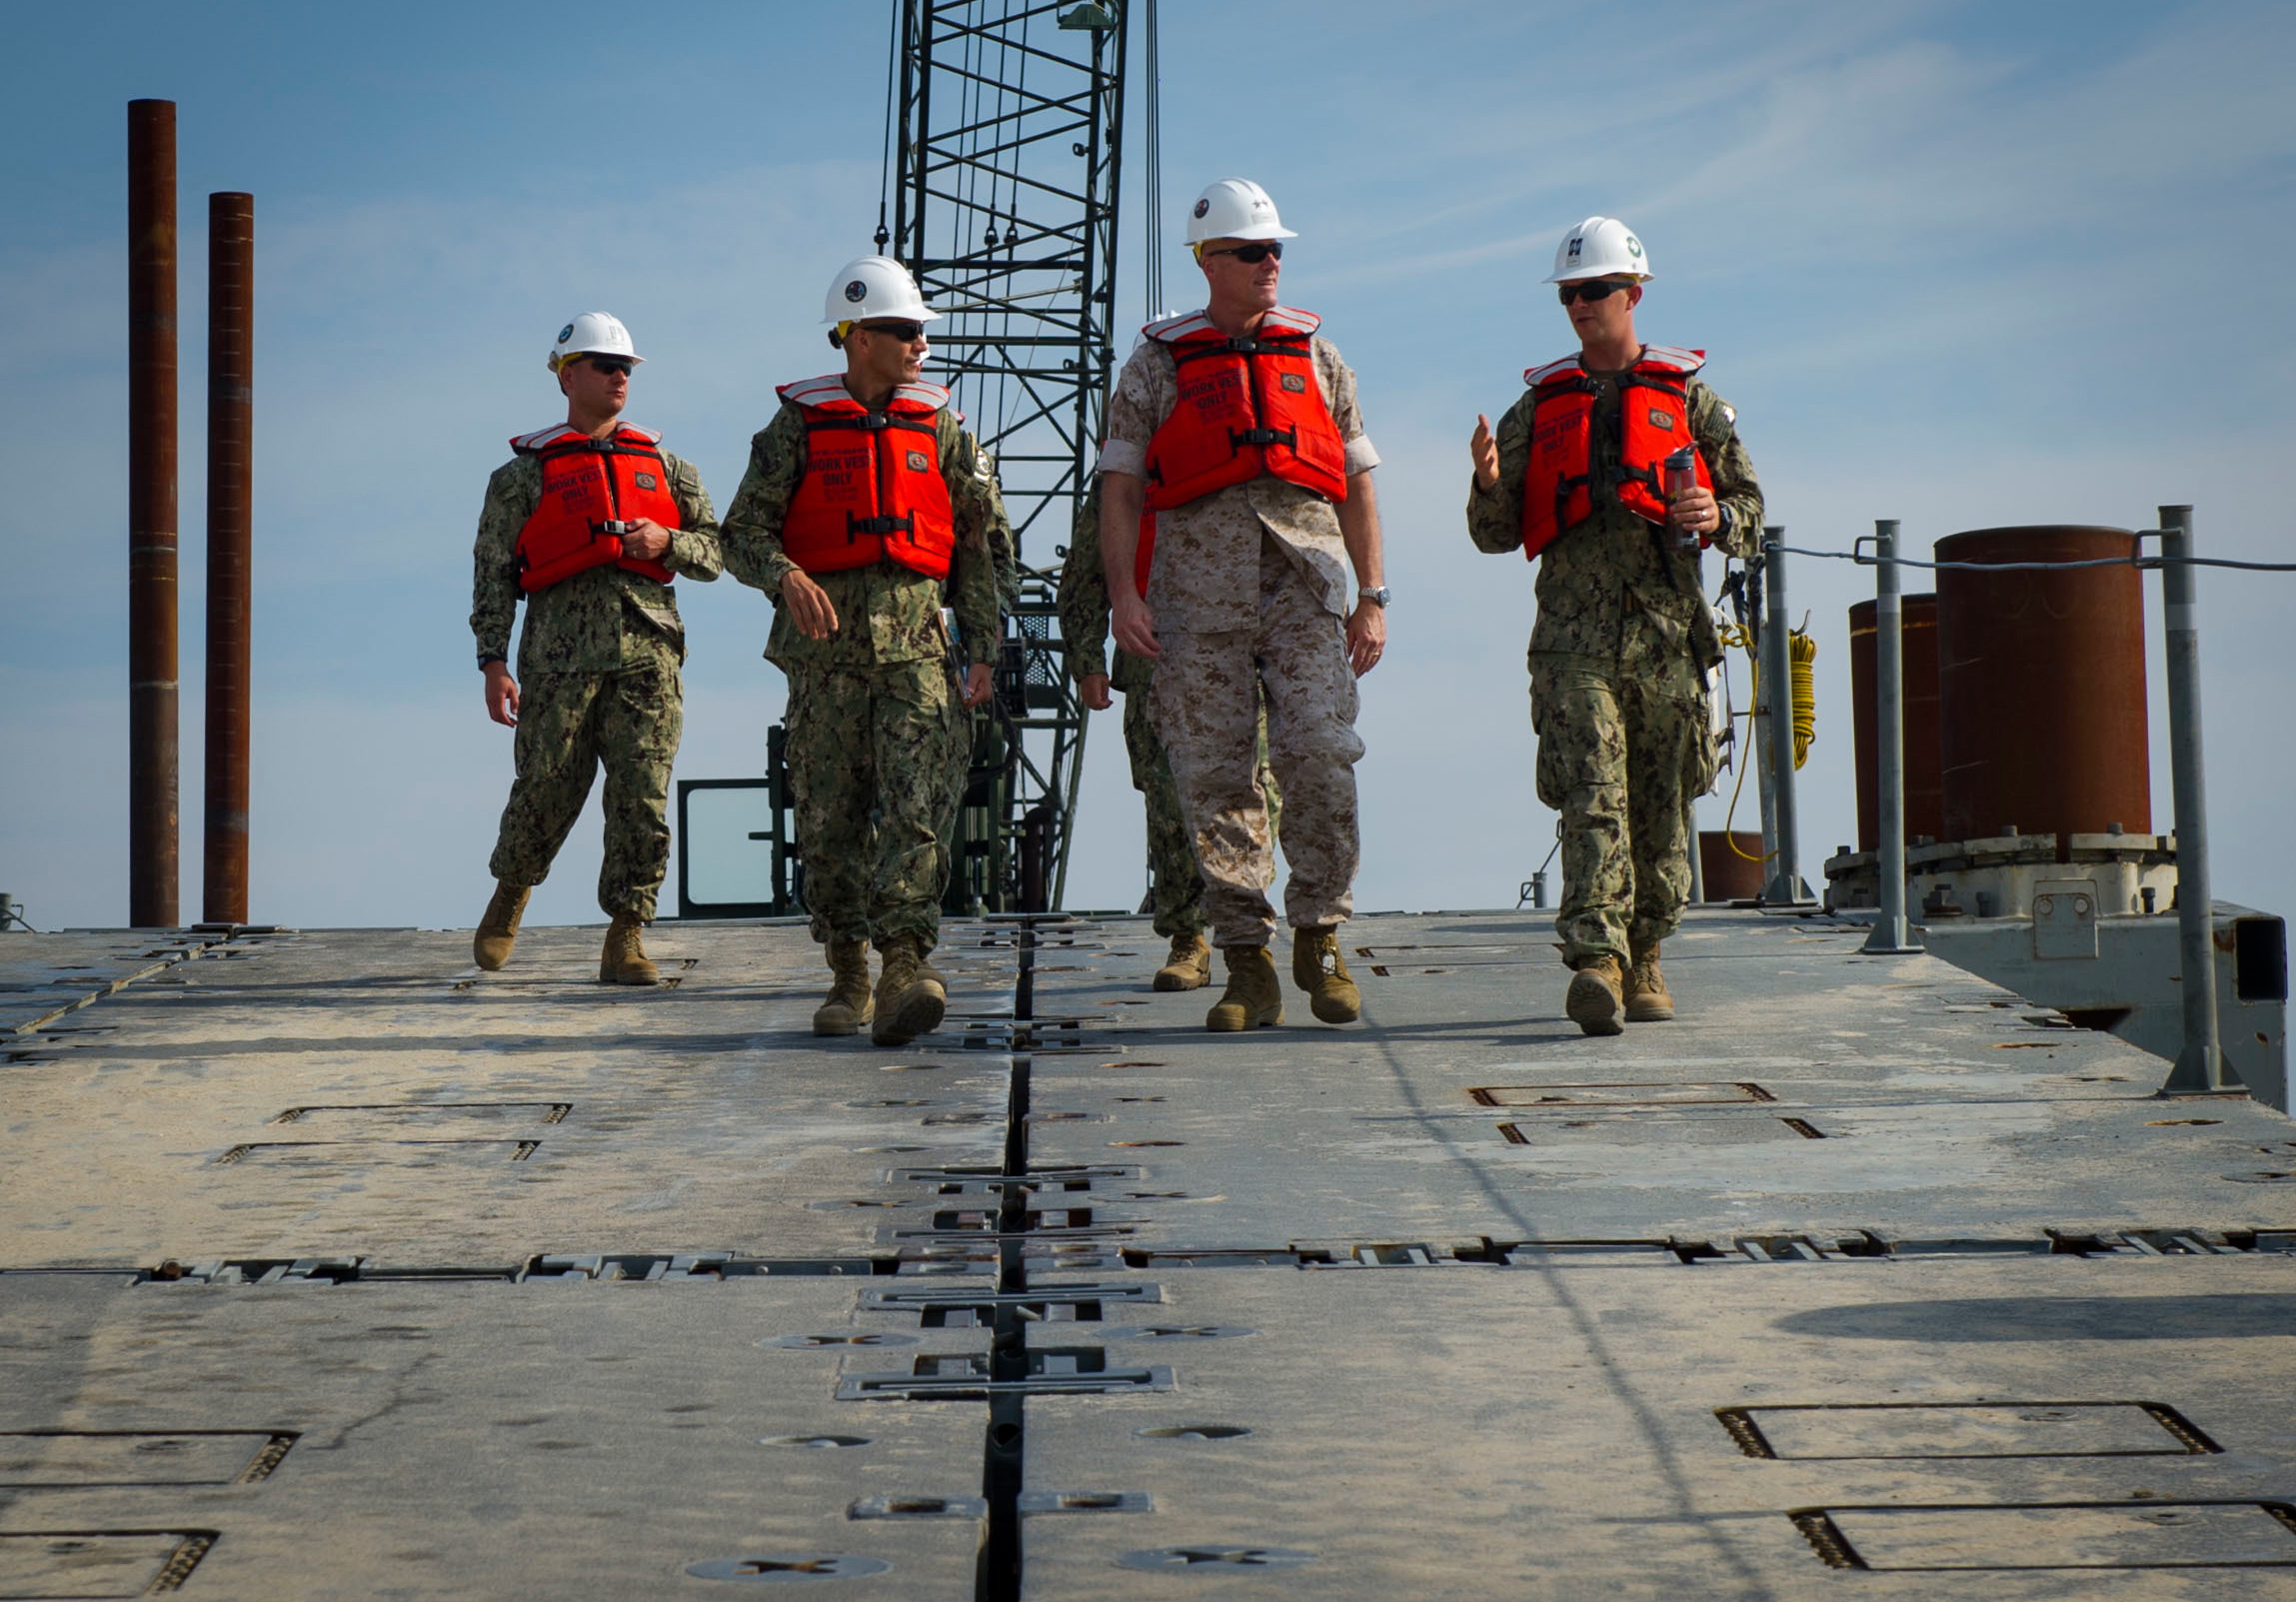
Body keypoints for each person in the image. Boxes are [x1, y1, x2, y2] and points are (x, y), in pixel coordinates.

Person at [1098, 178, 1388, 1032]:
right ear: (1208, 261)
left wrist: (1372, 596)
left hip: (1303, 590)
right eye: (1252, 250)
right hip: (1194, 602)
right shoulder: (1153, 366)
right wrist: (1123, 596)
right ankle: (1246, 964)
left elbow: (1358, 485)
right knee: (1215, 778)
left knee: (1321, 753)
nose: (1270, 263)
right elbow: (1119, 489)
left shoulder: (1320, 359)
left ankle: (1319, 936)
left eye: (1275, 249)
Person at [1465, 217, 1764, 1035]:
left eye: (1593, 290)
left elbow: (1749, 508)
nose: (1578, 305)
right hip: (1572, 641)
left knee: (1661, 804)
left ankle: (1647, 953)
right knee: (1592, 797)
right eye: (1568, 294)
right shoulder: (1538, 408)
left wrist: (1716, 515)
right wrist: (1486, 483)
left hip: (1665, 638)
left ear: (1633, 294)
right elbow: (1493, 534)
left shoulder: (1690, 401)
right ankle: (1595, 960)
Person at [722, 257, 1006, 1047]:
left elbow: (979, 543)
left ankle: (904, 965)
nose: (921, 344)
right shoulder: (795, 428)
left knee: (917, 808)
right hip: (824, 661)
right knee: (829, 818)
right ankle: (848, 971)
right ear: (857, 337)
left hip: (918, 652)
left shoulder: (942, 429)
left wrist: (982, 648)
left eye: (920, 331)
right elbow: (739, 533)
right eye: (905, 330)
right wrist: (784, 576)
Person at [470, 312, 722, 984]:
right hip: (558, 658)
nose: (619, 377)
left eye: (626, 368)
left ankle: (627, 935)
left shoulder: (669, 469)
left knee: (643, 797)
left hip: (649, 652)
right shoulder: (519, 477)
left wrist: (667, 541)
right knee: (546, 785)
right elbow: (493, 573)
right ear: (566, 376)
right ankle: (511, 891)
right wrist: (493, 661)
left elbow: (716, 551)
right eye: (606, 366)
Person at [1059, 479, 1282, 991]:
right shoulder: (1128, 470)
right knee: (1168, 800)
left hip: (1239, 651)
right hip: (1155, 653)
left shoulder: (1246, 456)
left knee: (1258, 793)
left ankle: (1248, 935)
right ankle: (1188, 937)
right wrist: (1087, 660)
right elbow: (1087, 568)